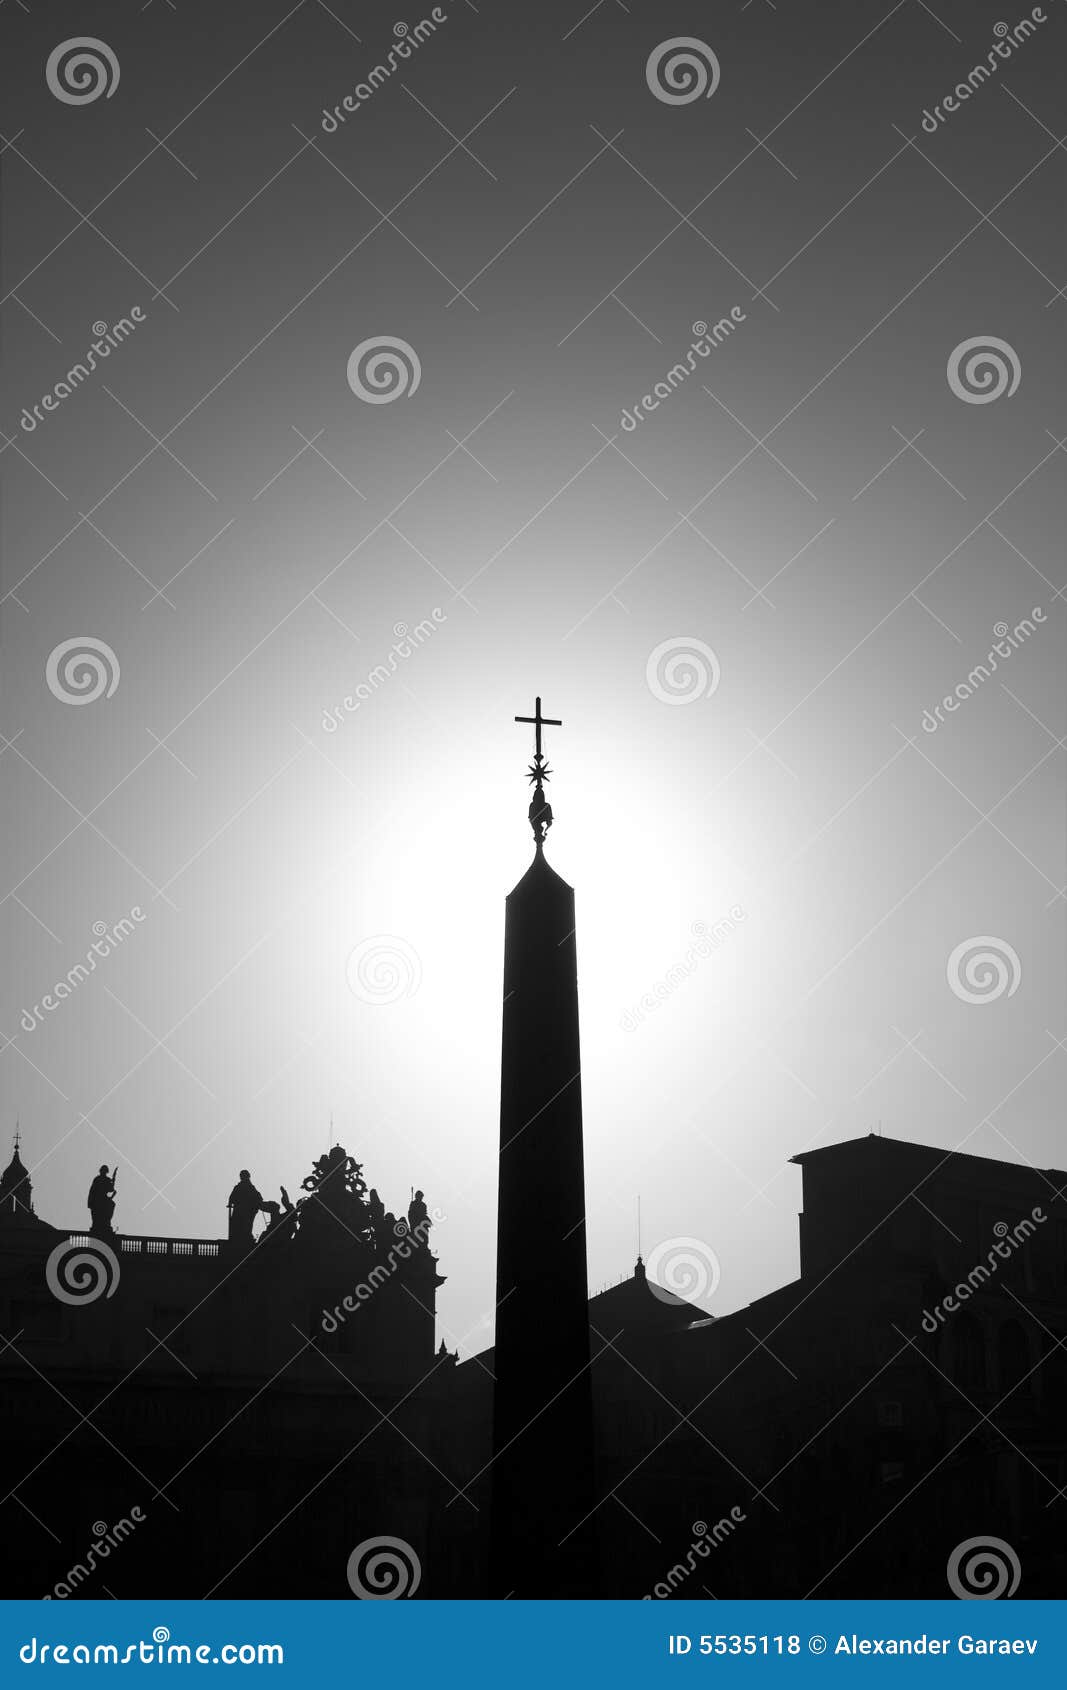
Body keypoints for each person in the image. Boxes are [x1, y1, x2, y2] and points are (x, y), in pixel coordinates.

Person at [227, 1169, 264, 1246]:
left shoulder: (249, 1188)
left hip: (246, 1213)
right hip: (241, 1212)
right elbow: (231, 1198)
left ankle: (243, 1239)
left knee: (245, 1227)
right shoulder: (242, 1187)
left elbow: (259, 1198)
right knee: (240, 1227)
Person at [87, 1164, 116, 1235]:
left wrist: (112, 1182)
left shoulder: (107, 1179)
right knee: (97, 1212)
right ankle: (99, 1224)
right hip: (97, 1198)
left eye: (104, 1171)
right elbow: (92, 1190)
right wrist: (90, 1201)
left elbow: (111, 1189)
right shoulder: (97, 1179)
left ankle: (107, 1223)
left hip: (104, 1198)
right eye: (103, 1171)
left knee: (112, 1204)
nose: (103, 1172)